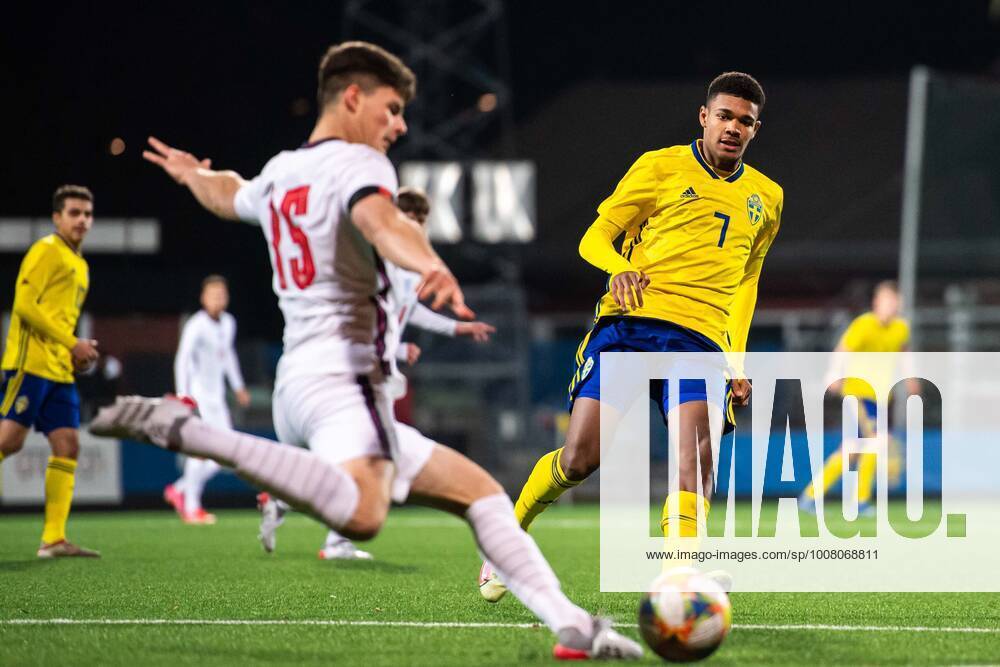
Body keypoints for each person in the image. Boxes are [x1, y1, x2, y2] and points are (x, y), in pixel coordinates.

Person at [95, 41, 640, 660]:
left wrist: (192, 175)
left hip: (307, 378)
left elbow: (229, 193)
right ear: (353, 97)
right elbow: (382, 222)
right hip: (343, 376)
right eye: (392, 108)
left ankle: (572, 625)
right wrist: (431, 262)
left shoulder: (282, 170)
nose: (400, 124)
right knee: (363, 514)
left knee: (481, 492)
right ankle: (190, 432)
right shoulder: (361, 165)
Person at [480, 72, 783, 601]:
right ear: (704, 116)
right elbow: (593, 237)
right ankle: (506, 537)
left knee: (695, 461)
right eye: (726, 116)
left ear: (757, 130)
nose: (734, 128)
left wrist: (737, 360)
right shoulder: (658, 166)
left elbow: (747, 283)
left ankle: (679, 572)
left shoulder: (768, 198)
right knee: (580, 459)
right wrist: (619, 267)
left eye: (746, 121)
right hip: (629, 327)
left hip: (701, 341)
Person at [257, 185, 497, 560]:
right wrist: (398, 348)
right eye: (408, 219)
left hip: (332, 380)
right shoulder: (371, 259)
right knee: (364, 461)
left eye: (420, 221)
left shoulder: (401, 267)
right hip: (335, 382)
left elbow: (405, 311)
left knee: (341, 465)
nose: (414, 227)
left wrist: (454, 329)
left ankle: (282, 501)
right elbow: (359, 321)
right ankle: (330, 536)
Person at [0, 185, 101, 558]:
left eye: (87, 214)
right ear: (57, 217)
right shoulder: (46, 251)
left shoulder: (80, 264)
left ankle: (54, 539)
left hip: (59, 369)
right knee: (8, 441)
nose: (82, 220)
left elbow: (59, 316)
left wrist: (74, 351)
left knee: (68, 444)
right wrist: (71, 340)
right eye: (74, 213)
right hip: (30, 363)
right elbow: (24, 305)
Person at [800, 281, 918, 515]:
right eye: (887, 301)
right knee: (876, 441)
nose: (891, 306)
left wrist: (910, 378)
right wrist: (833, 374)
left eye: (894, 302)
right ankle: (860, 500)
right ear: (876, 303)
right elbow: (842, 350)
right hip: (857, 393)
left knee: (853, 450)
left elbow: (903, 352)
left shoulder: (901, 328)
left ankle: (811, 495)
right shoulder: (863, 325)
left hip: (881, 397)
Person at [163, 275, 250, 524]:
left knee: (225, 456)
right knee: (200, 452)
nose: (218, 300)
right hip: (199, 397)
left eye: (222, 295)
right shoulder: (196, 325)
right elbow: (183, 358)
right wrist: (183, 395)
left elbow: (228, 356)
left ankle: (179, 490)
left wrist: (239, 386)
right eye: (213, 295)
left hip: (218, 400)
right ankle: (191, 507)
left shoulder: (228, 323)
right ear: (203, 298)